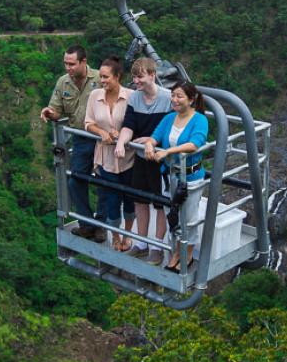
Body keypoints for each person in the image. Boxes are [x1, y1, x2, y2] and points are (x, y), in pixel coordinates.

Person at [144, 82, 209, 271]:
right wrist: (149, 144)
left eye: (179, 96)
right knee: (172, 215)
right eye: (173, 95)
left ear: (191, 99)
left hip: (190, 177)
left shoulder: (199, 120)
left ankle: (186, 254)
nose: (174, 100)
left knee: (188, 218)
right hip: (169, 176)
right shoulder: (169, 118)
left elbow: (194, 143)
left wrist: (168, 151)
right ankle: (175, 252)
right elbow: (154, 136)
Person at [40, 45, 102, 240]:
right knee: (76, 181)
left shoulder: (100, 78)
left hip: (102, 139)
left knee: (105, 183)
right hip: (81, 137)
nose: (68, 67)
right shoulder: (63, 82)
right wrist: (49, 113)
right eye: (65, 63)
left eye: (72, 64)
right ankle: (87, 223)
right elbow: (57, 109)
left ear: (83, 62)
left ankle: (101, 225)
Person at [115, 58, 173, 264]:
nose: (136, 81)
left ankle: (156, 246)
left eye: (140, 76)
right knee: (139, 200)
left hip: (160, 160)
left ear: (152, 75)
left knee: (159, 203)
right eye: (134, 77)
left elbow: (171, 129)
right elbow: (128, 125)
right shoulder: (135, 99)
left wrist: (150, 140)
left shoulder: (168, 99)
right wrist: (121, 143)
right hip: (140, 157)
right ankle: (141, 243)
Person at [84, 56, 136, 251]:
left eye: (106, 77)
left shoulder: (131, 96)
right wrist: (102, 133)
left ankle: (127, 235)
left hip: (128, 157)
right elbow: (88, 122)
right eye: (101, 77)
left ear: (117, 76)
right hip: (106, 157)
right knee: (112, 198)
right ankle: (115, 236)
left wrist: (121, 134)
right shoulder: (95, 96)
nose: (102, 81)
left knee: (129, 198)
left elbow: (135, 124)